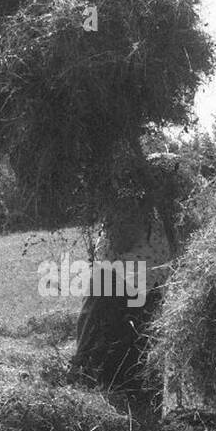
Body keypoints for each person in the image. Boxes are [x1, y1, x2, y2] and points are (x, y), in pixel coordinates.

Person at [70, 155, 179, 392]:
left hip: (148, 285)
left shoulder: (164, 213)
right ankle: (91, 379)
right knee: (101, 332)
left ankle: (131, 387)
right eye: (163, 179)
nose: (168, 186)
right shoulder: (129, 206)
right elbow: (115, 244)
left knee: (139, 339)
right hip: (117, 280)